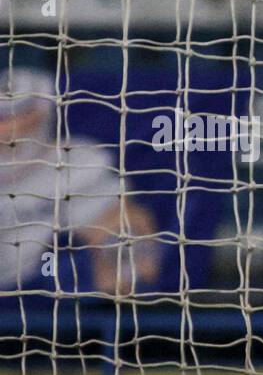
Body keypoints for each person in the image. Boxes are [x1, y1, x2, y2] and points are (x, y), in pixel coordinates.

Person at [0, 69, 158, 296]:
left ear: (43, 110)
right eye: (2, 117)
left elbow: (129, 231)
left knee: (125, 226)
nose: (8, 127)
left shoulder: (78, 161)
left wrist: (120, 276)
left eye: (19, 114)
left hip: (44, 293)